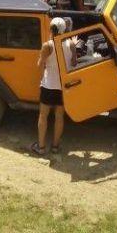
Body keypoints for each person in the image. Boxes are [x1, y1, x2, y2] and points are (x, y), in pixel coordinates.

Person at [31, 16, 71, 155]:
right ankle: (55, 146)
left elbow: (40, 65)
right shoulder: (71, 44)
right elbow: (74, 64)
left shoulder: (47, 45)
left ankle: (41, 147)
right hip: (63, 87)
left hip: (48, 85)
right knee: (59, 116)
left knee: (43, 116)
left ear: (51, 29)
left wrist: (43, 76)